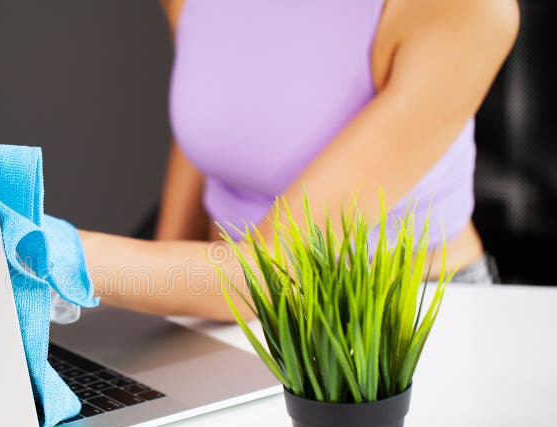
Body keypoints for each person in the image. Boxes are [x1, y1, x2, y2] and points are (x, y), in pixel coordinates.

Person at [77, 0, 519, 321]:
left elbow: (273, 273)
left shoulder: (469, 11)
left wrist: (60, 255)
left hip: (398, 329)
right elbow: (217, 128)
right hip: (219, 305)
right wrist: (154, 309)